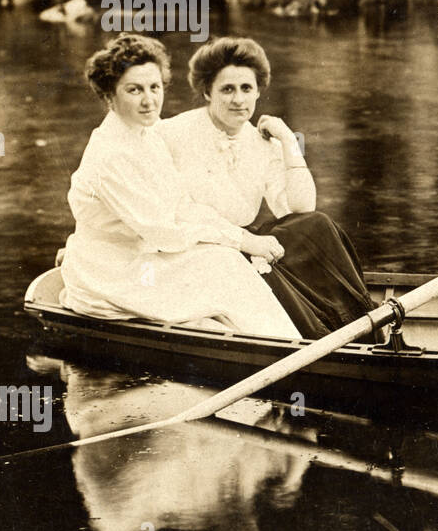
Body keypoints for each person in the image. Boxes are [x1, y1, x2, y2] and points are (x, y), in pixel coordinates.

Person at [58, 34, 300, 339]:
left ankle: (287, 343)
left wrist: (238, 239)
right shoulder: (111, 154)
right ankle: (292, 350)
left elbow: (181, 206)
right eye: (134, 90)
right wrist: (243, 241)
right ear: (110, 96)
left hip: (139, 258)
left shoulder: (145, 136)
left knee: (224, 262)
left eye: (155, 87)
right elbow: (164, 232)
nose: (149, 100)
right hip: (110, 275)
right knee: (226, 265)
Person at [157, 37, 375, 339]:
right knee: (259, 268)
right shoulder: (172, 133)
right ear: (207, 92)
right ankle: (319, 337)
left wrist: (288, 142)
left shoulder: (263, 142)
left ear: (259, 91)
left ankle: (360, 319)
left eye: (247, 89)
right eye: (227, 89)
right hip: (197, 250)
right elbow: (161, 207)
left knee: (318, 225)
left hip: (246, 244)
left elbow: (299, 210)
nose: (238, 100)